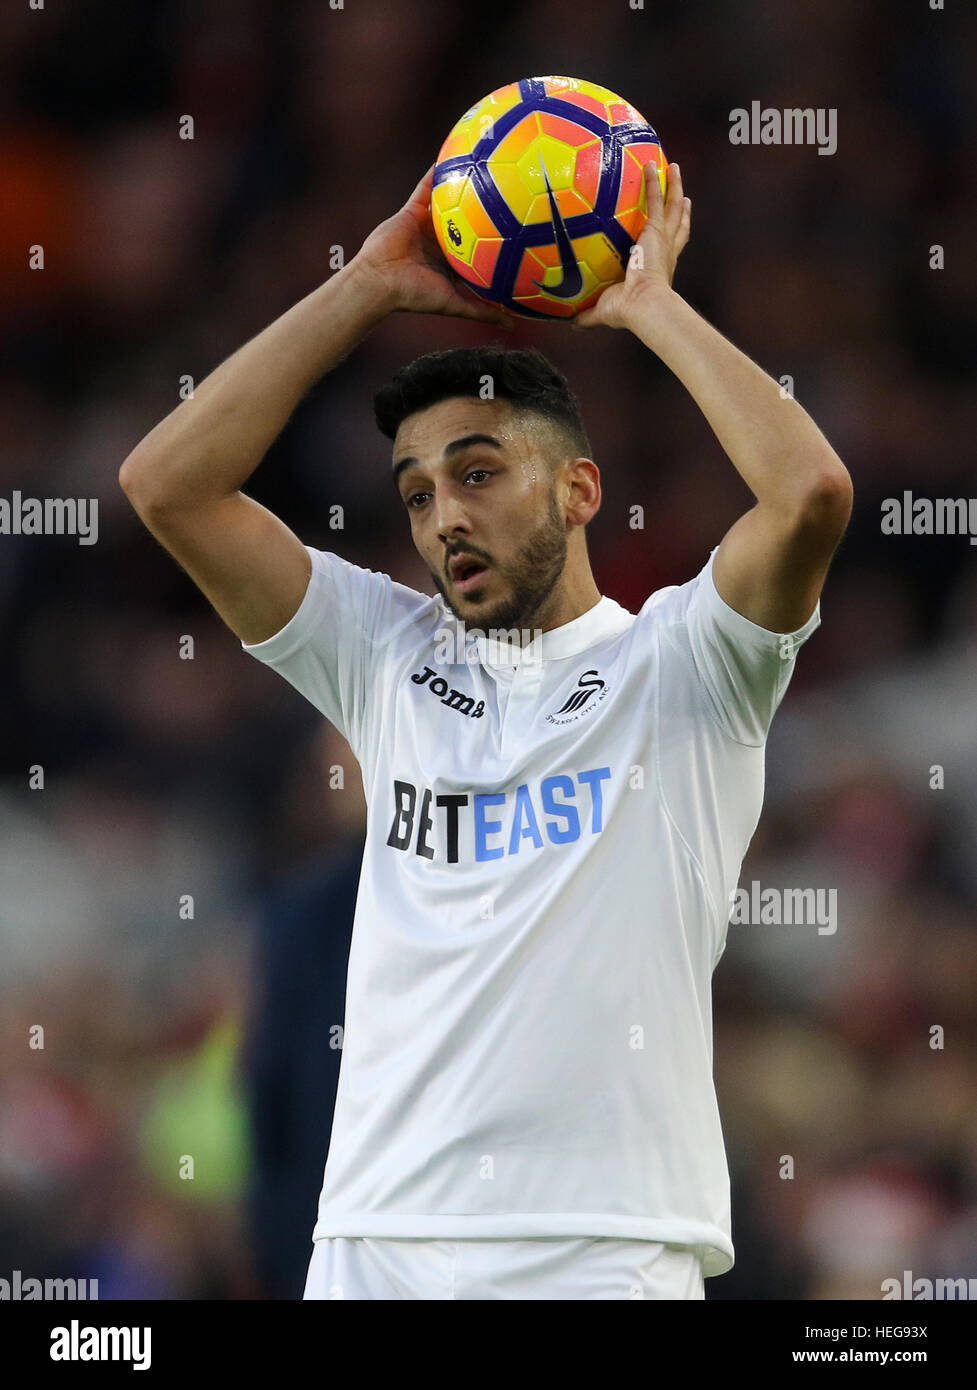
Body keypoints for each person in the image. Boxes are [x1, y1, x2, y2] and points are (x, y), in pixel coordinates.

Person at [119, 160, 852, 1300]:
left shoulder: (687, 661)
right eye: (416, 493)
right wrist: (360, 286)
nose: (443, 515)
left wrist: (649, 305)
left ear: (577, 490)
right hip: (372, 1246)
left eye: (477, 471)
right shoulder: (385, 656)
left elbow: (807, 492)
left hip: (601, 1249)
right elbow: (166, 483)